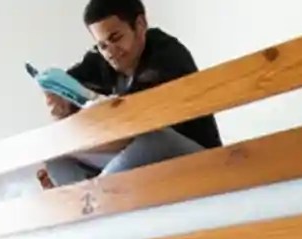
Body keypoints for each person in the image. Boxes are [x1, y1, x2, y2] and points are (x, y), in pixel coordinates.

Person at [43, 0, 222, 187]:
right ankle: (87, 206)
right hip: (136, 153)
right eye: (102, 45)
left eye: (116, 38)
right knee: (56, 157)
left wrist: (99, 125)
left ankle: (100, 196)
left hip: (193, 152)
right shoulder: (101, 61)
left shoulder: (167, 53)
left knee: (154, 138)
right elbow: (70, 84)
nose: (110, 52)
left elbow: (140, 126)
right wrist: (59, 110)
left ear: (140, 25)